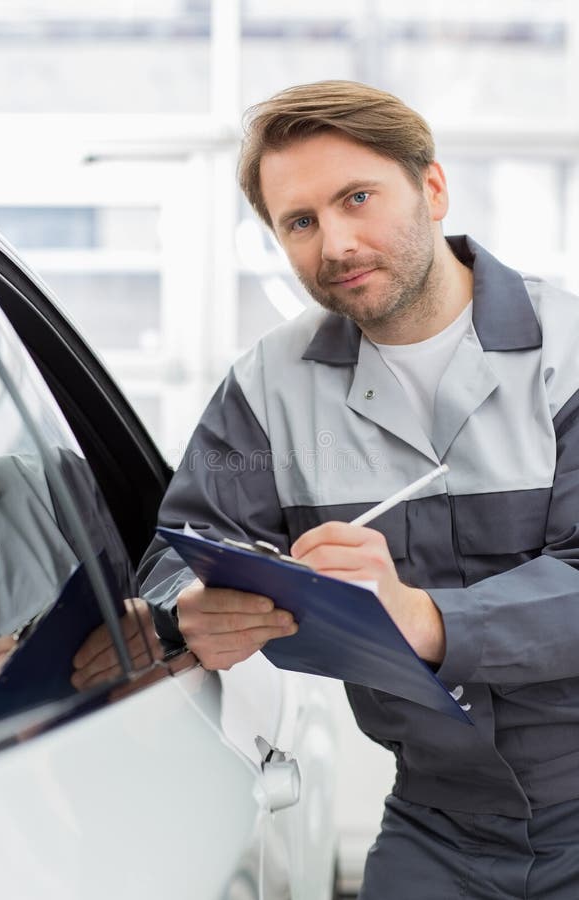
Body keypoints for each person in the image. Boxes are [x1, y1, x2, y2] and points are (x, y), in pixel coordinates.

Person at [137, 80, 579, 898]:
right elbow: (179, 549)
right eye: (299, 222)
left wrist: (422, 616)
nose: (335, 242)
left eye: (358, 198)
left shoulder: (569, 354)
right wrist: (184, 609)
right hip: (435, 828)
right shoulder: (269, 385)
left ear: (434, 189)